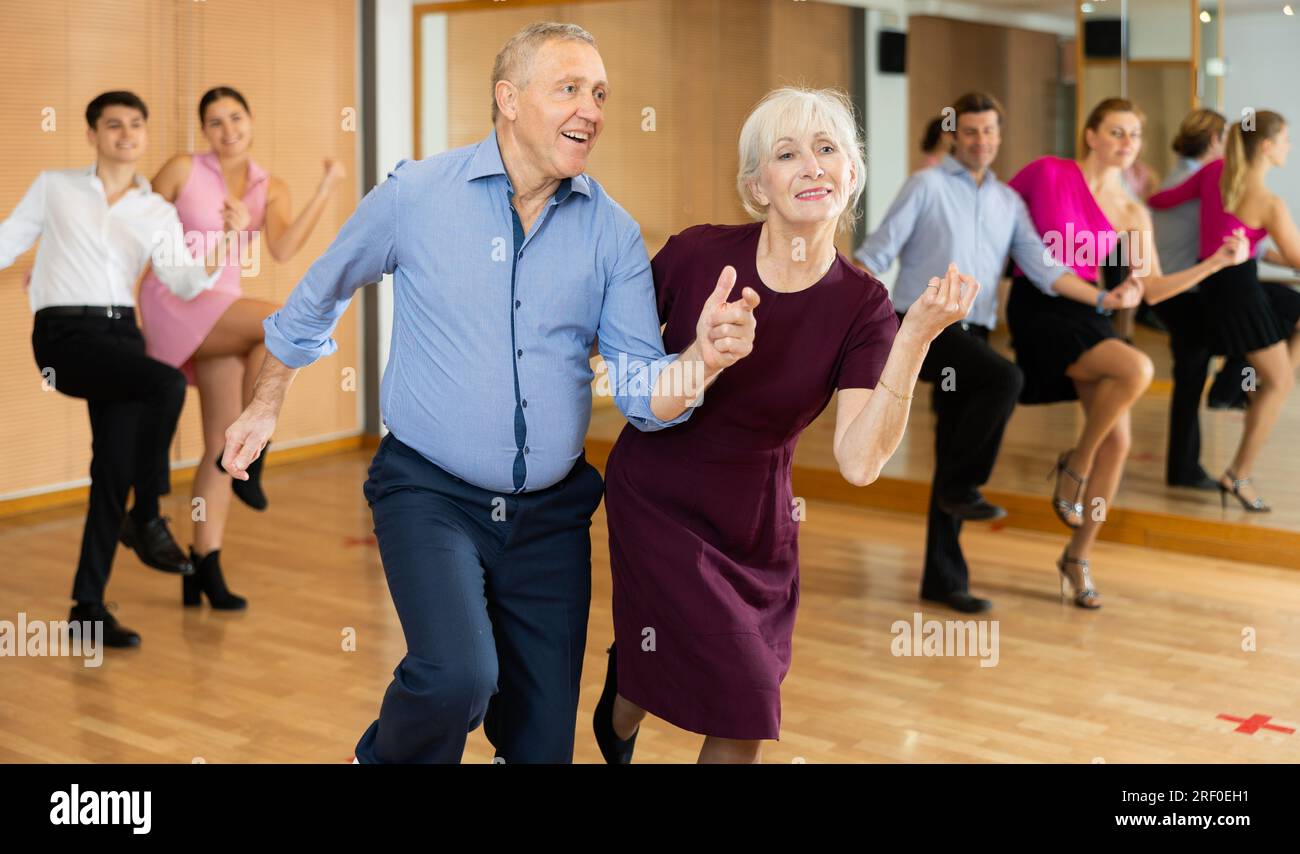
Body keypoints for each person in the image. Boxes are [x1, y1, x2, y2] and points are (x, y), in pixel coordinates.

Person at [220, 22, 757, 764]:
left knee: (541, 750)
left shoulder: (612, 235)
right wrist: (267, 401)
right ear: (508, 99)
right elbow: (320, 291)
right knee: (456, 679)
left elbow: (640, 392)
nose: (591, 108)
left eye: (600, 93)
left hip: (550, 518)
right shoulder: (416, 195)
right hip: (430, 493)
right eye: (569, 88)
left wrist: (699, 359)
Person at [592, 87, 978, 765]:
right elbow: (611, 359)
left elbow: (859, 463)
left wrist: (914, 336)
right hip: (657, 497)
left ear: (851, 175)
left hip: (757, 522)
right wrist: (695, 358)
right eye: (787, 153)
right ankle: (625, 698)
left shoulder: (865, 305)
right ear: (756, 185)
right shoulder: (694, 256)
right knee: (720, 689)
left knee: (746, 703)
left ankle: (629, 680)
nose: (811, 166)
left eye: (828, 150)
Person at [0, 91, 234, 646]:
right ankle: (148, 514)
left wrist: (225, 238)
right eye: (113, 125)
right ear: (92, 135)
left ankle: (87, 609)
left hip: (121, 337)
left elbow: (183, 282)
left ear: (144, 135)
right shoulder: (55, 187)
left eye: (135, 125)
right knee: (168, 382)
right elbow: (7, 240)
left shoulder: (156, 210)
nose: (126, 134)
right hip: (64, 336)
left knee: (111, 469)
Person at [858, 91, 1102, 615]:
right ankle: (965, 487)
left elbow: (1043, 268)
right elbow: (877, 252)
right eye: (971, 131)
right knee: (1005, 380)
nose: (981, 141)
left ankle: (943, 578)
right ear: (953, 133)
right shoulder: (924, 186)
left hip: (974, 332)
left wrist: (1103, 296)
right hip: (923, 325)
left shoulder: (1007, 202)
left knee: (951, 452)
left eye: (990, 131)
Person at [1006, 98, 1246, 608]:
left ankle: (1077, 556)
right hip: (1039, 306)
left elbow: (1153, 287)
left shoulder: (1132, 210)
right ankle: (1074, 464)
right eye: (1116, 132)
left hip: (1092, 311)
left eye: (1134, 135)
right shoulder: (1049, 172)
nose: (1127, 143)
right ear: (1090, 135)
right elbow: (993, 214)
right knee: (1137, 367)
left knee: (1119, 442)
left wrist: (1214, 264)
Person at [139, 86, 347, 609]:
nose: (227, 130)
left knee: (220, 445)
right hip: (176, 297)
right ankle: (263, 443)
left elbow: (283, 246)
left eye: (235, 118)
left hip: (224, 311)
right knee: (280, 320)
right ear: (203, 130)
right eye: (215, 122)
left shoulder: (267, 184)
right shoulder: (183, 168)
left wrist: (326, 187)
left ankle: (203, 565)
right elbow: (135, 225)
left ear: (250, 121)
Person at [1148, 110, 1300, 512]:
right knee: (1280, 385)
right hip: (1239, 294)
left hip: (1218, 289)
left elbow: (1162, 200)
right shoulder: (1269, 202)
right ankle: (1239, 473)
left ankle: (1262, 384)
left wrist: (1139, 192)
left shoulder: (1212, 174)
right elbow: (1297, 256)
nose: (1289, 146)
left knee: (1278, 373)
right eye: (1285, 139)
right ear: (1266, 147)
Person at [1147, 108, 1247, 489]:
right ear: (1214, 141)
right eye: (1225, 140)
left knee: (1191, 375)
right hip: (1183, 293)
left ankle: (1183, 467)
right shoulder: (1204, 179)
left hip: (1175, 293)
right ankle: (1225, 395)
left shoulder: (1180, 176)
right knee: (1252, 328)